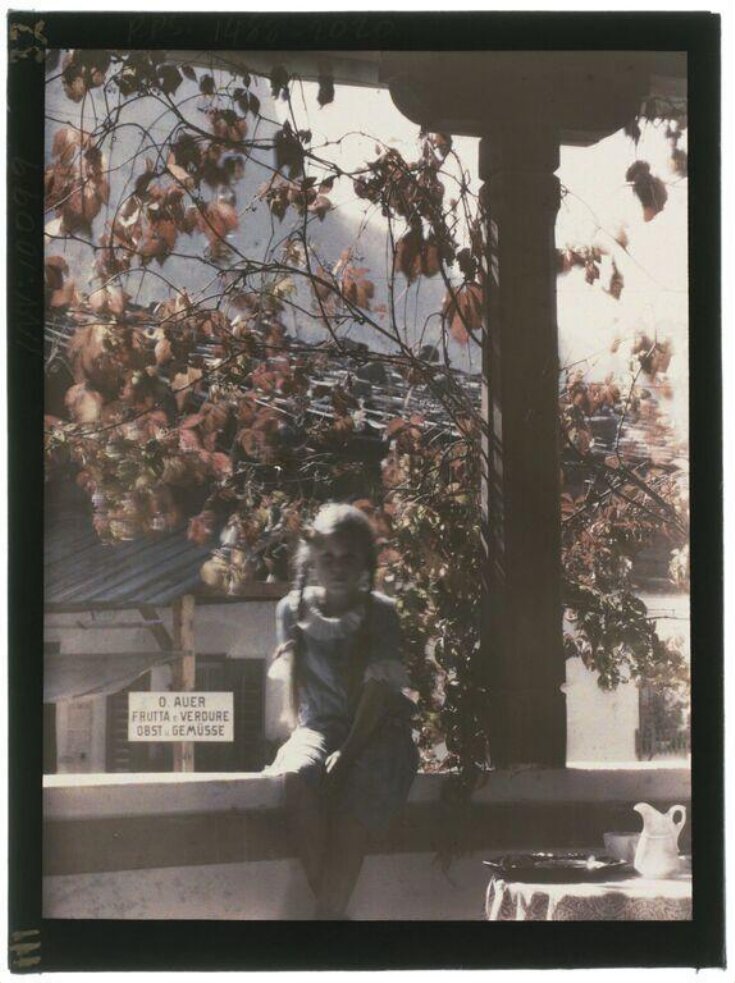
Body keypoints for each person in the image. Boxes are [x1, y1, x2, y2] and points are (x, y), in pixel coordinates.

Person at [263, 502, 419, 919]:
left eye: (348, 557)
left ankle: (325, 921)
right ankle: (332, 916)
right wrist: (309, 743)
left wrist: (346, 755)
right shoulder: (290, 611)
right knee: (296, 776)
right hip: (319, 726)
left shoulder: (381, 613)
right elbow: (298, 693)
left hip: (376, 731)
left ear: (366, 561)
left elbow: (379, 694)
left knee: (354, 807)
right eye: (327, 557)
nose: (337, 566)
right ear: (312, 559)